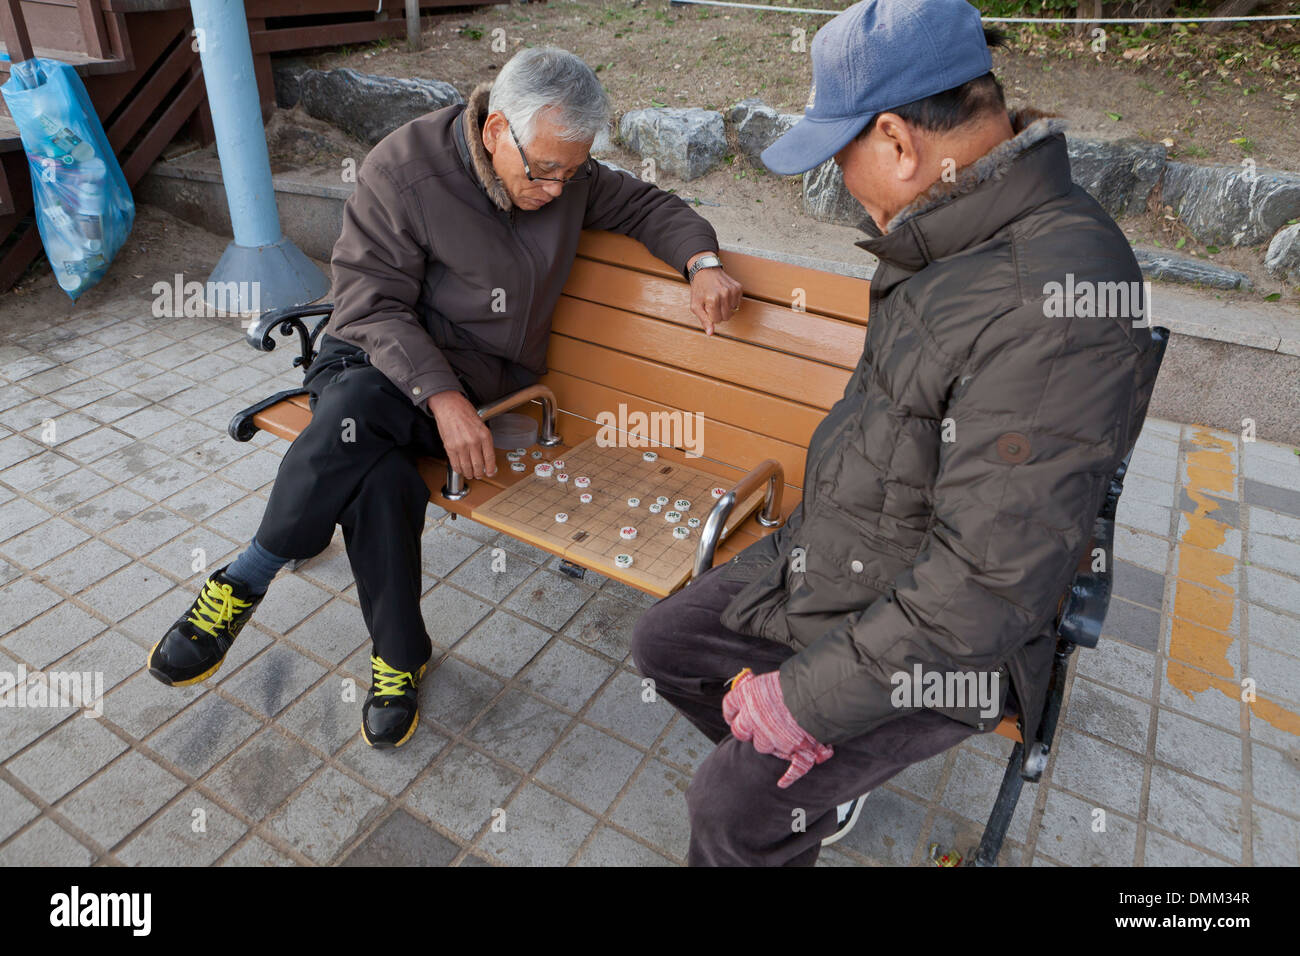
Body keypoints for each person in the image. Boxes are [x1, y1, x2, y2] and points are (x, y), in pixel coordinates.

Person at [631, 0, 1163, 865]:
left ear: (897, 141)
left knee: (729, 808)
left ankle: (787, 801)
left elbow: (985, 591)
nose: (842, 181)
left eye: (842, 158)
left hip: (952, 640)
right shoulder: (956, 234)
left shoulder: (1051, 302)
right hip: (848, 555)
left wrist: (803, 700)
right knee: (665, 645)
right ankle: (812, 796)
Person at [147, 46, 743, 749]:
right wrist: (440, 397)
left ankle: (302, 602)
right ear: (496, 131)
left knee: (378, 468)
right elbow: (368, 305)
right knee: (364, 421)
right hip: (375, 359)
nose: (556, 188)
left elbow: (648, 205)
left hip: (484, 389)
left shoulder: (566, 175)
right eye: (544, 169)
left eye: (571, 171)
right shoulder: (405, 168)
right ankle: (300, 604)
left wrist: (701, 262)